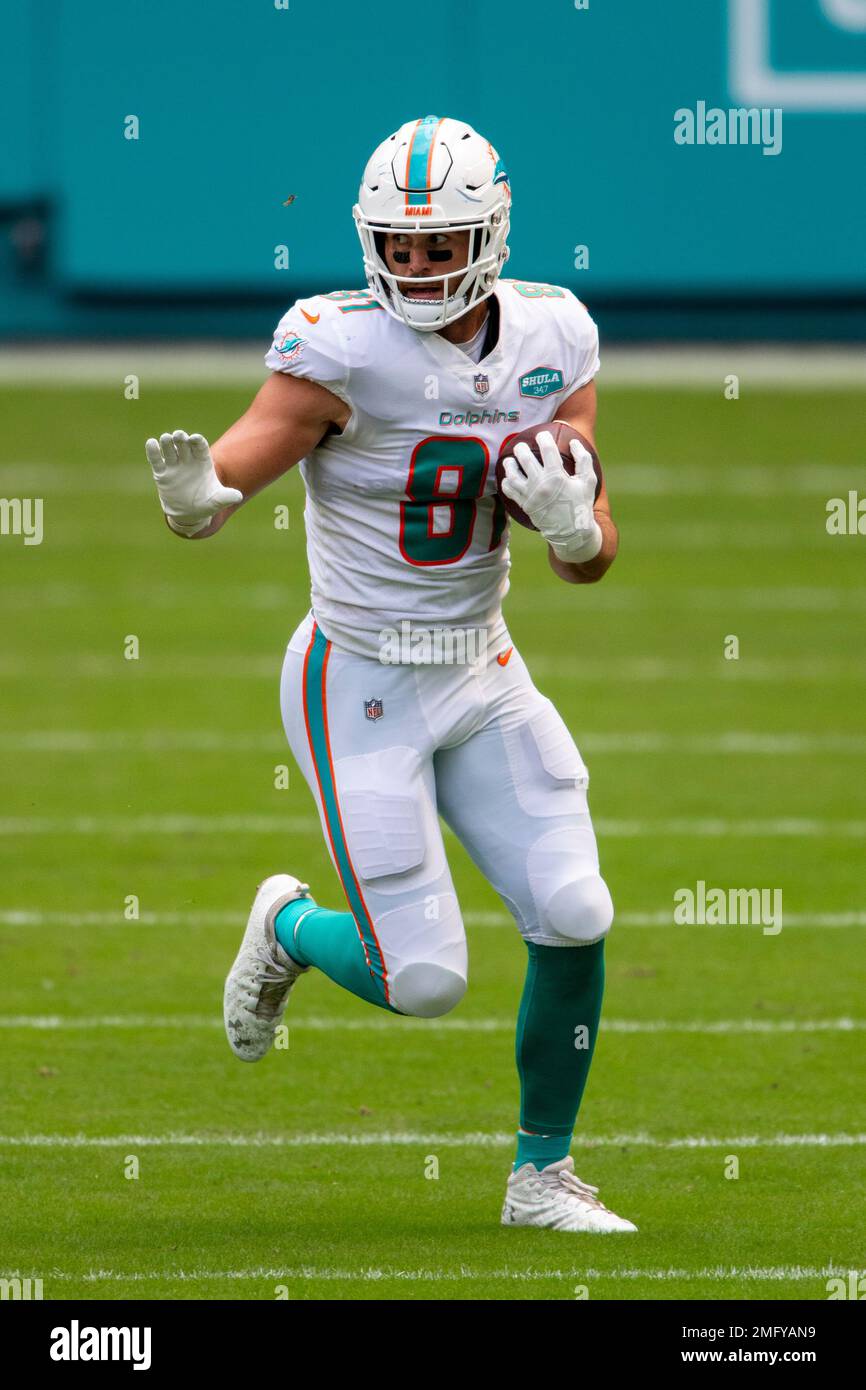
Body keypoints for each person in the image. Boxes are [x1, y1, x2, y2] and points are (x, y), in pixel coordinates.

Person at [146, 115, 635, 1233]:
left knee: (573, 908)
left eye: (439, 244)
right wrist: (196, 498)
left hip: (484, 667)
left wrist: (568, 531)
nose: (415, 266)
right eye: (399, 246)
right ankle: (287, 930)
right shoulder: (336, 345)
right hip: (356, 678)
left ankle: (540, 1178)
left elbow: (596, 553)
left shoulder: (554, 334)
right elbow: (228, 481)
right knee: (422, 978)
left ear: (491, 234)